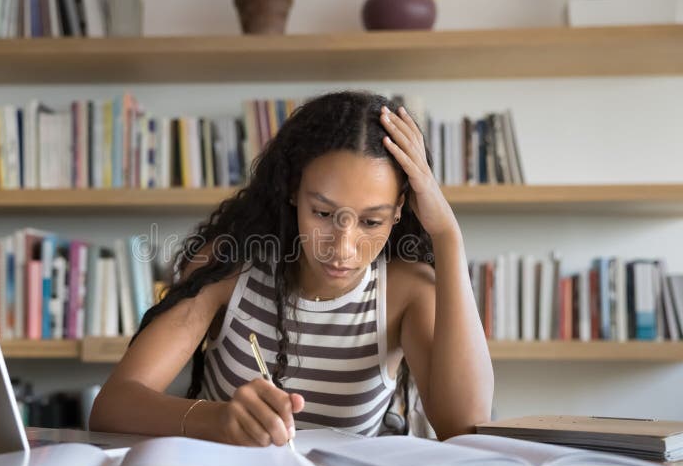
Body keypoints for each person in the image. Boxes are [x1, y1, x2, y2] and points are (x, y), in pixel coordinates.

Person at [89, 90, 493, 447]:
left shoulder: (406, 291)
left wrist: (448, 235)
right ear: (293, 192)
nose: (343, 248)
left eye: (372, 222)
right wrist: (218, 419)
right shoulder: (228, 266)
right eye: (322, 212)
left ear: (400, 211)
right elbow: (113, 405)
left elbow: (463, 426)